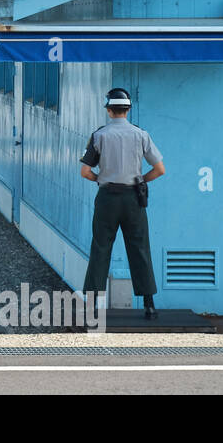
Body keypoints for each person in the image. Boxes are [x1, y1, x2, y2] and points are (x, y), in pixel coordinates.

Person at [80, 87, 166, 319]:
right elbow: (159, 169)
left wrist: (100, 179)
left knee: (100, 248)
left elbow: (85, 171)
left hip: (107, 198)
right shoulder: (141, 135)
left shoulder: (99, 136)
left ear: (109, 110)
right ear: (128, 109)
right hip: (133, 199)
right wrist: (141, 180)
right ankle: (149, 304)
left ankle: (93, 307)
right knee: (139, 248)